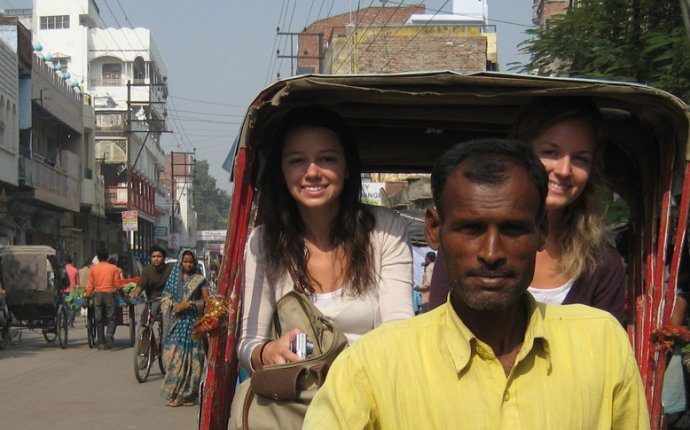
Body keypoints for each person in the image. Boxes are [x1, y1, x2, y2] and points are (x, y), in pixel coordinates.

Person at [303, 138, 649, 429]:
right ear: (435, 231)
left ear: (541, 231)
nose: (492, 252)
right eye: (471, 229)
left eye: (513, 229)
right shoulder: (371, 366)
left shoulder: (601, 345)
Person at [237, 106, 413, 374]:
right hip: (295, 401)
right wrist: (268, 352)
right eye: (297, 161)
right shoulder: (263, 241)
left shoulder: (384, 230)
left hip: (371, 388)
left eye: (327, 159)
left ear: (347, 167)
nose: (312, 172)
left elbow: (399, 329)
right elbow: (248, 344)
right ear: (282, 172)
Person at [429, 98, 626, 324]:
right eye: (551, 152)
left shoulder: (601, 263)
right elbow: (438, 328)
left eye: (580, 158)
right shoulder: (465, 243)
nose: (564, 170)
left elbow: (604, 345)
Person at [160, 249, 208, 407]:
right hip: (177, 323)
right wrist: (173, 304)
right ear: (181, 262)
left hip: (194, 324)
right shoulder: (174, 279)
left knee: (193, 359)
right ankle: (174, 393)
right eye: (186, 261)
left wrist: (190, 304)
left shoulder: (200, 280)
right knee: (174, 358)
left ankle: (188, 395)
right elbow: (166, 296)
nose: (188, 264)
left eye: (191, 262)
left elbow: (207, 302)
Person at [85, 248, 122, 350]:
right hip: (110, 294)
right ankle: (109, 334)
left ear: (98, 257)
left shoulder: (93, 269)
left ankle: (100, 343)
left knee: (99, 319)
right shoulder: (114, 268)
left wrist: (87, 297)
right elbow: (117, 284)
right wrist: (123, 295)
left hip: (97, 295)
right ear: (108, 256)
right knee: (111, 318)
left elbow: (90, 285)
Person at [130, 245, 172, 326]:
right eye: (154, 256)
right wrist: (136, 293)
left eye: (159, 256)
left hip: (169, 300)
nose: (156, 259)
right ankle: (143, 334)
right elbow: (141, 284)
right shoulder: (147, 270)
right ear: (150, 258)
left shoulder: (170, 268)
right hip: (153, 300)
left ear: (164, 258)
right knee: (146, 319)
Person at [63, 256, 79, 327]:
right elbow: (78, 283)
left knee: (65, 306)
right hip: (73, 291)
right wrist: (80, 294)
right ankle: (70, 322)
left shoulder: (63, 270)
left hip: (64, 290)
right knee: (72, 307)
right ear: (71, 262)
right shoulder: (75, 270)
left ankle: (65, 321)